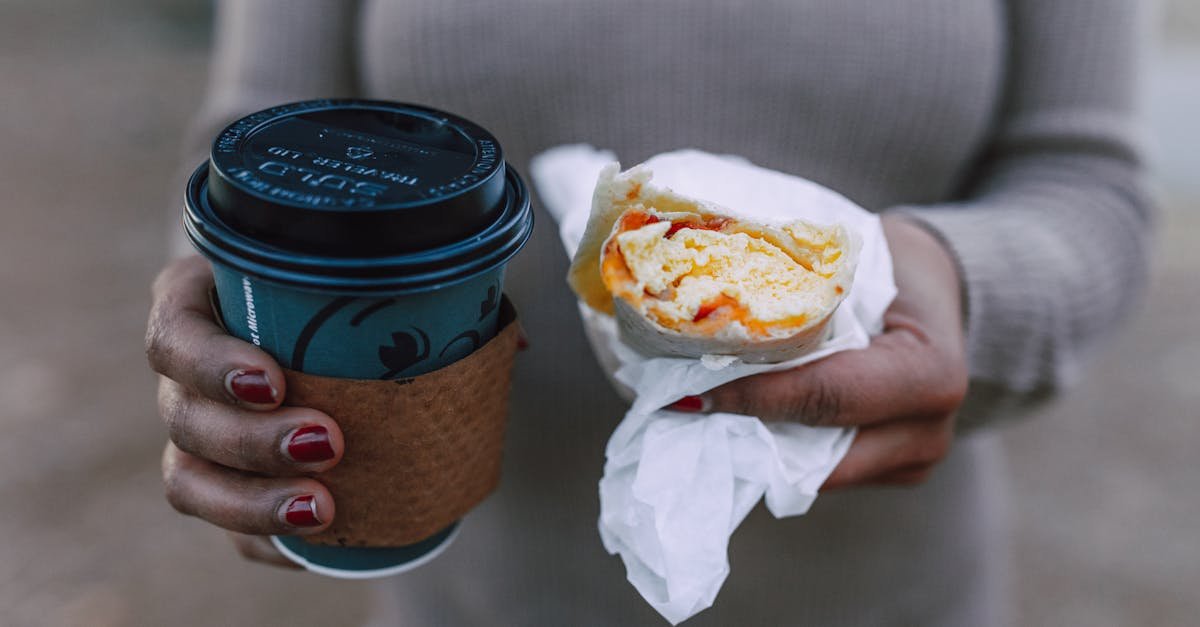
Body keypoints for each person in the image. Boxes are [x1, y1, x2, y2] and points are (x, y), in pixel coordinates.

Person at [145, 1, 1152, 625]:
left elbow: (1086, 181)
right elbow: (259, 144)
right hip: (479, 599)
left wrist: (956, 281)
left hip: (891, 596)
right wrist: (237, 336)